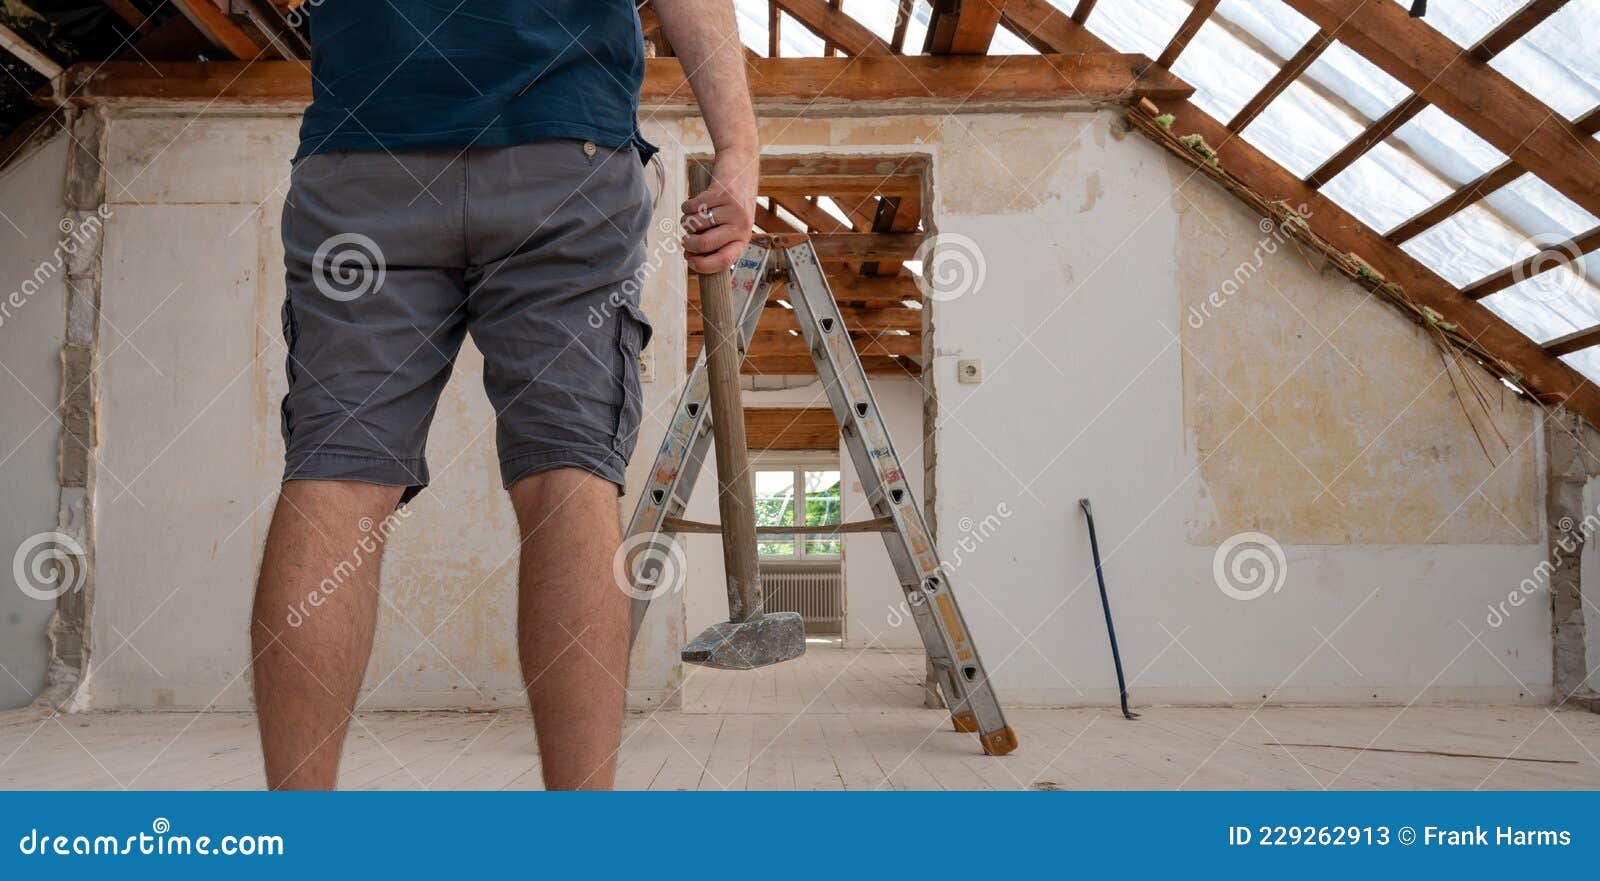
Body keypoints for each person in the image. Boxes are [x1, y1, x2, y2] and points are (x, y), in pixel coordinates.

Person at [250, 0, 757, 790]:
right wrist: (738, 149)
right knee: (570, 479)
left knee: (336, 475)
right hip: (564, 146)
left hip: (367, 147)